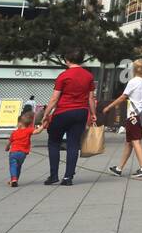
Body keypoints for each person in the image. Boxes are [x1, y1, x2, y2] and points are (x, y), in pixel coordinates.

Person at [34, 48, 97, 186]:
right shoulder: (89, 76)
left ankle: (53, 175)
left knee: (54, 142)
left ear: (67, 60)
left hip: (63, 112)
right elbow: (91, 98)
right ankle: (68, 177)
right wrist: (93, 114)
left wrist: (46, 114)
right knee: (73, 143)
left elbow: (54, 99)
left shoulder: (63, 76)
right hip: (81, 112)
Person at [102, 58, 142, 178]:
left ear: (133, 69)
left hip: (133, 116)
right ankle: (119, 168)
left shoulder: (133, 82)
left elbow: (122, 97)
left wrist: (109, 107)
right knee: (129, 142)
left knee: (135, 141)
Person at [6, 110, 35, 187]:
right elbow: (37, 131)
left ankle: (14, 179)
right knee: (18, 166)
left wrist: (7, 148)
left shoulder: (14, 132)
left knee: (13, 165)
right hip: (22, 154)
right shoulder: (29, 130)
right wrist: (43, 125)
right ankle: (15, 180)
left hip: (13, 152)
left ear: (20, 124)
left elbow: (9, 142)